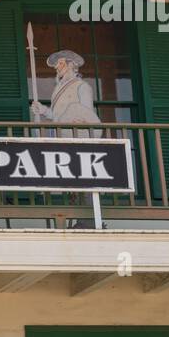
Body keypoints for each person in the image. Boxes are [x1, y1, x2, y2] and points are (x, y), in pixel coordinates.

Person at [30, 49, 103, 228]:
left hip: (78, 139)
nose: (57, 67)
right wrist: (44, 111)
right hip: (65, 138)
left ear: (71, 65)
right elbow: (58, 115)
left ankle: (87, 220)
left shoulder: (81, 87)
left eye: (61, 64)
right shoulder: (58, 90)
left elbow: (84, 114)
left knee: (84, 179)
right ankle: (77, 217)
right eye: (57, 65)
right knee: (72, 180)